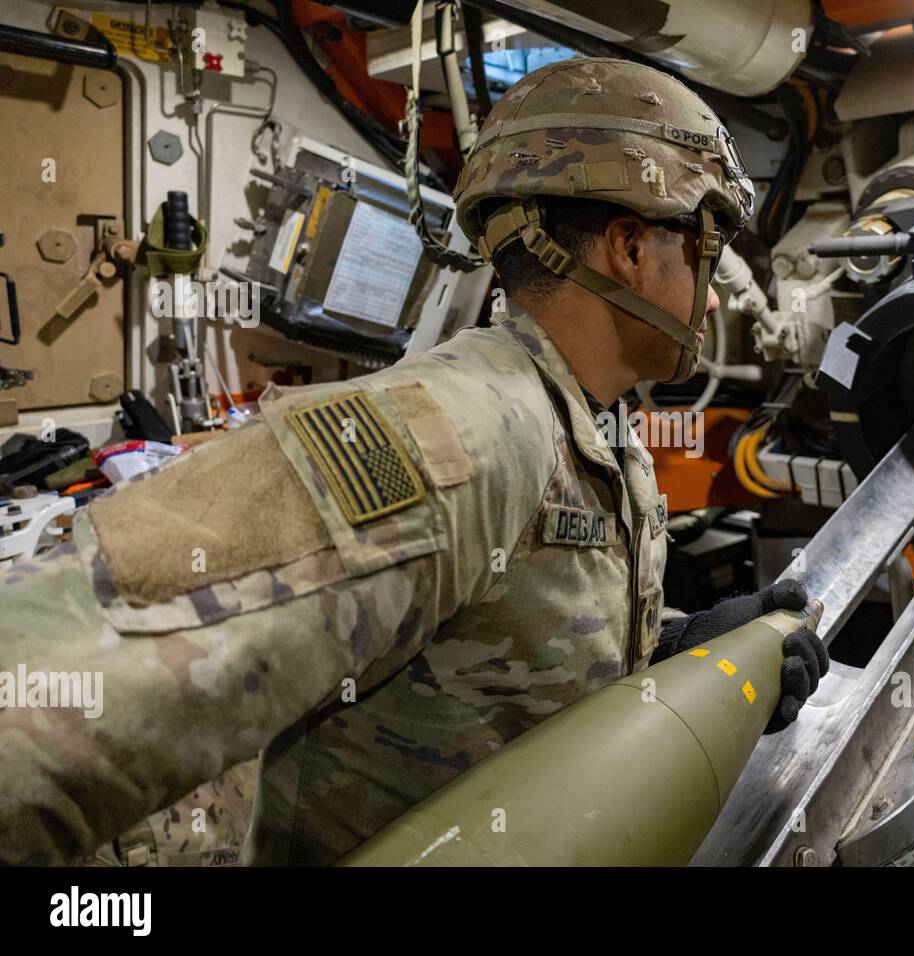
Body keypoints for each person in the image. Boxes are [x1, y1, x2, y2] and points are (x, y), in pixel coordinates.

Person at [0, 56, 827, 866]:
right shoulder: (457, 432)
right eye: (708, 254)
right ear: (630, 247)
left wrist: (673, 653)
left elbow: (497, 660)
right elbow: (38, 707)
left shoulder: (593, 427)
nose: (714, 295)